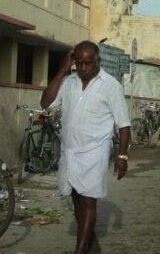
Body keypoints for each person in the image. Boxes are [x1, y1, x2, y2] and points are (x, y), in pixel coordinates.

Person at [40, 41, 131, 254]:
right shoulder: (69, 82)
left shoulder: (110, 86)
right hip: (70, 151)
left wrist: (123, 155)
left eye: (88, 63)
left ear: (97, 61)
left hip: (95, 152)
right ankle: (93, 246)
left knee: (89, 201)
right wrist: (62, 70)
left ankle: (79, 251)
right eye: (78, 64)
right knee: (77, 200)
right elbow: (45, 102)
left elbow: (124, 124)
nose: (83, 68)